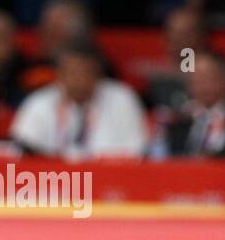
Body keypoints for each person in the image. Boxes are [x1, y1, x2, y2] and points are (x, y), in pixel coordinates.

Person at [10, 40, 148, 158]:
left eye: (85, 72)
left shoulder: (122, 99)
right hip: (53, 179)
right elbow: (25, 147)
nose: (79, 80)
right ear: (59, 75)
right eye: (72, 73)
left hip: (108, 178)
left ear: (99, 74)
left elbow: (136, 150)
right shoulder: (39, 101)